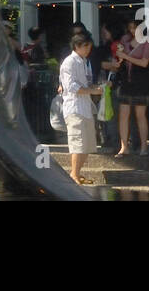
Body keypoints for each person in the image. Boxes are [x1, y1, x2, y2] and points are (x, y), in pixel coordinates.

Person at [59, 33, 101, 184]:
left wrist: (96, 87)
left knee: (87, 144)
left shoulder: (83, 61)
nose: (88, 49)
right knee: (77, 143)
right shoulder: (69, 62)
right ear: (77, 46)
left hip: (85, 107)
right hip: (74, 107)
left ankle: (75, 173)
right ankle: (74, 175)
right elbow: (71, 86)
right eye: (85, 46)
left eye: (89, 47)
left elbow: (85, 83)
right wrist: (92, 91)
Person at [114, 20, 149, 157]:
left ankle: (144, 146)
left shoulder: (148, 41)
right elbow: (120, 61)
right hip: (126, 80)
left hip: (141, 80)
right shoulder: (125, 41)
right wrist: (119, 59)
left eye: (135, 28)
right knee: (123, 114)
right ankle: (124, 146)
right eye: (130, 28)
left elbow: (144, 62)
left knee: (140, 115)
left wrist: (125, 56)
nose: (133, 31)